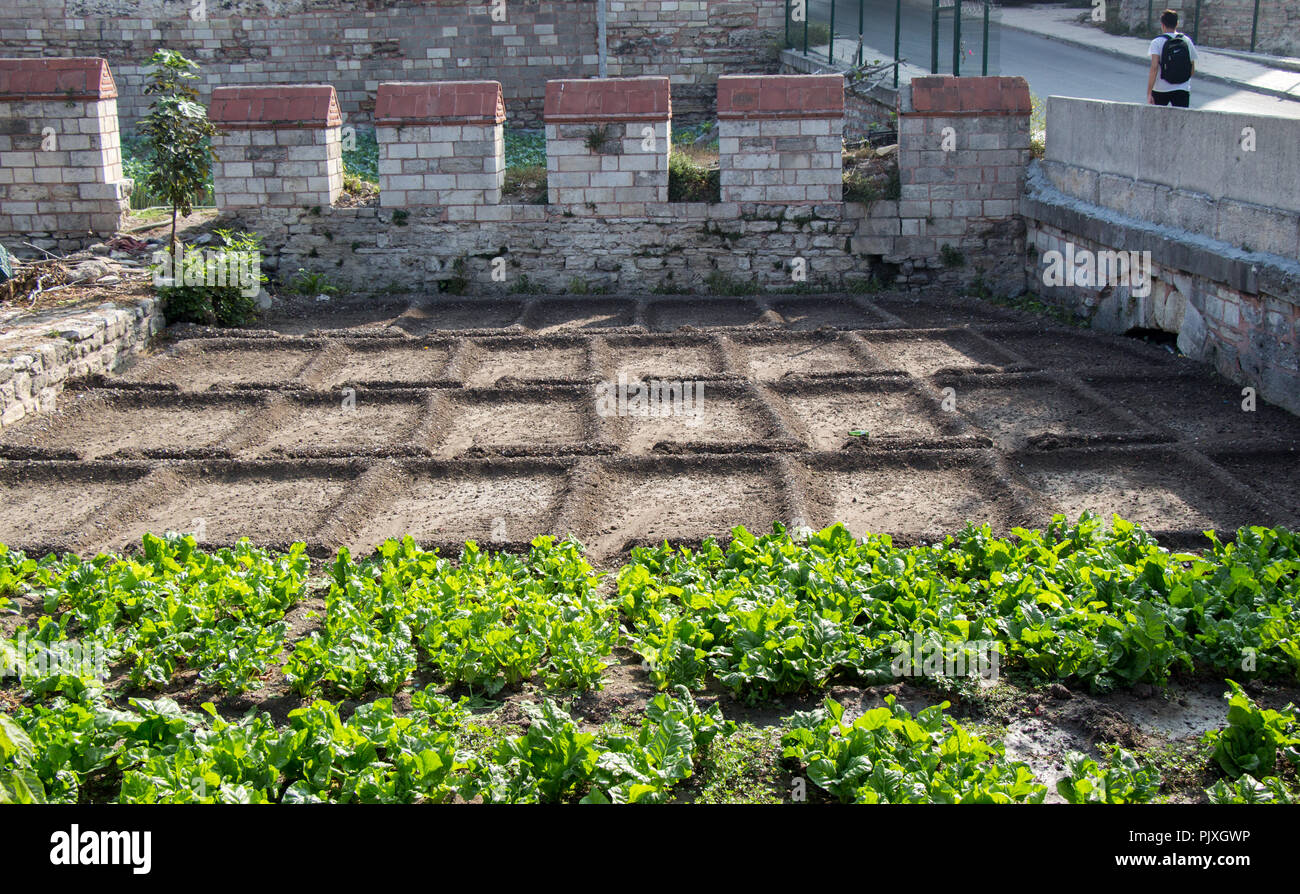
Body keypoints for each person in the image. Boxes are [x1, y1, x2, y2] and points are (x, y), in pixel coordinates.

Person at [1147, 9, 1197, 107]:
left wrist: (1149, 93)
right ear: (1177, 23)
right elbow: (1192, 67)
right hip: (1182, 89)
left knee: (1158, 120)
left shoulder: (1156, 42)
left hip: (1161, 89)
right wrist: (1181, 80)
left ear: (1162, 25)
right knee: (1181, 121)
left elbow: (1154, 68)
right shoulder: (1186, 41)